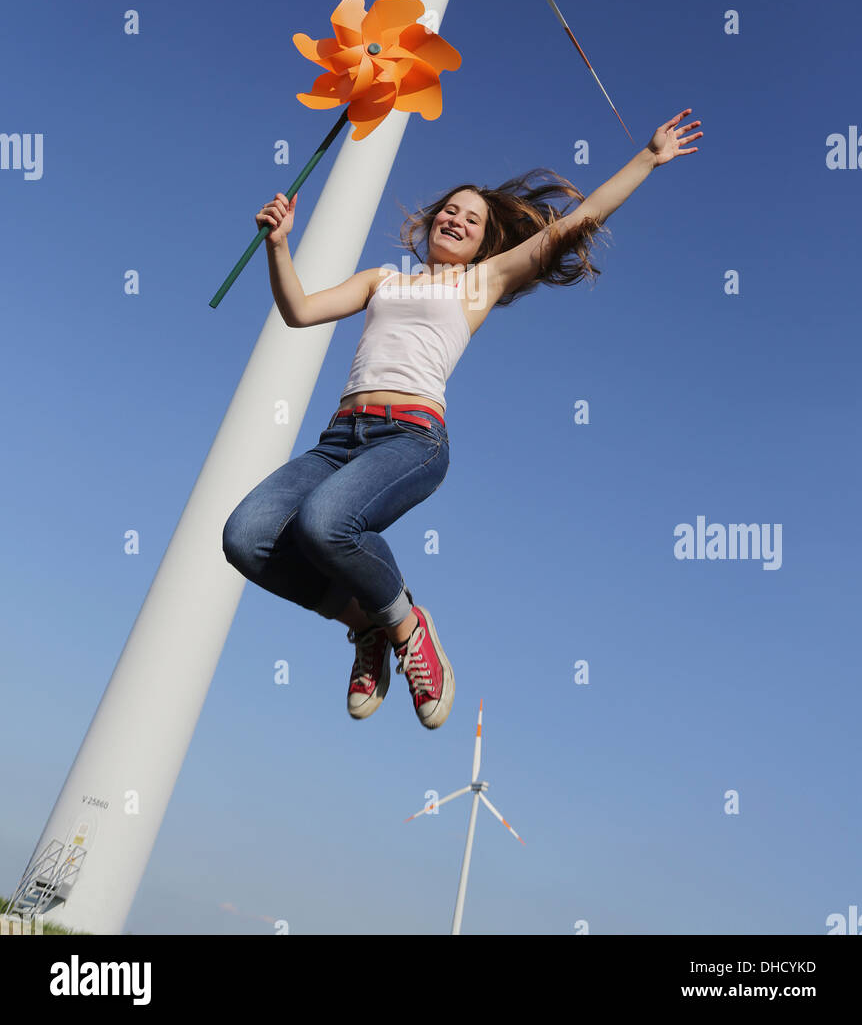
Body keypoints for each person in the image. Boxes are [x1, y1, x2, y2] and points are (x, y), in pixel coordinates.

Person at [222, 109, 703, 730]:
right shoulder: (381, 279)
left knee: (324, 525)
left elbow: (581, 221)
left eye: (472, 220)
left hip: (411, 438)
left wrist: (648, 157)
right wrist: (279, 245)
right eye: (451, 210)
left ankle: (407, 625)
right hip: (340, 438)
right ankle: (368, 624)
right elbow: (299, 311)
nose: (457, 220)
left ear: (484, 242)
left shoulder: (482, 283)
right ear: (430, 222)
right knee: (246, 537)